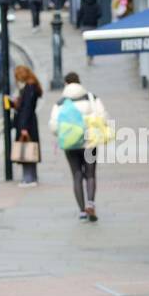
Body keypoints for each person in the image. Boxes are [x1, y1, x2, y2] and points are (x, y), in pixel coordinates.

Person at [49, 72, 107, 222]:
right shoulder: (91, 98)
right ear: (79, 82)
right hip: (89, 142)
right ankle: (91, 204)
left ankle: (82, 211)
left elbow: (54, 126)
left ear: (66, 84)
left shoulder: (60, 103)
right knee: (90, 174)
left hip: (70, 143)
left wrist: (66, 132)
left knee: (76, 174)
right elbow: (103, 117)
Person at [9, 64, 42, 187]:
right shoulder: (32, 87)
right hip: (30, 122)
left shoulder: (29, 88)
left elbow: (26, 108)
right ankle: (32, 177)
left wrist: (23, 128)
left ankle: (28, 178)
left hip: (26, 123)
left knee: (26, 150)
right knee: (30, 149)